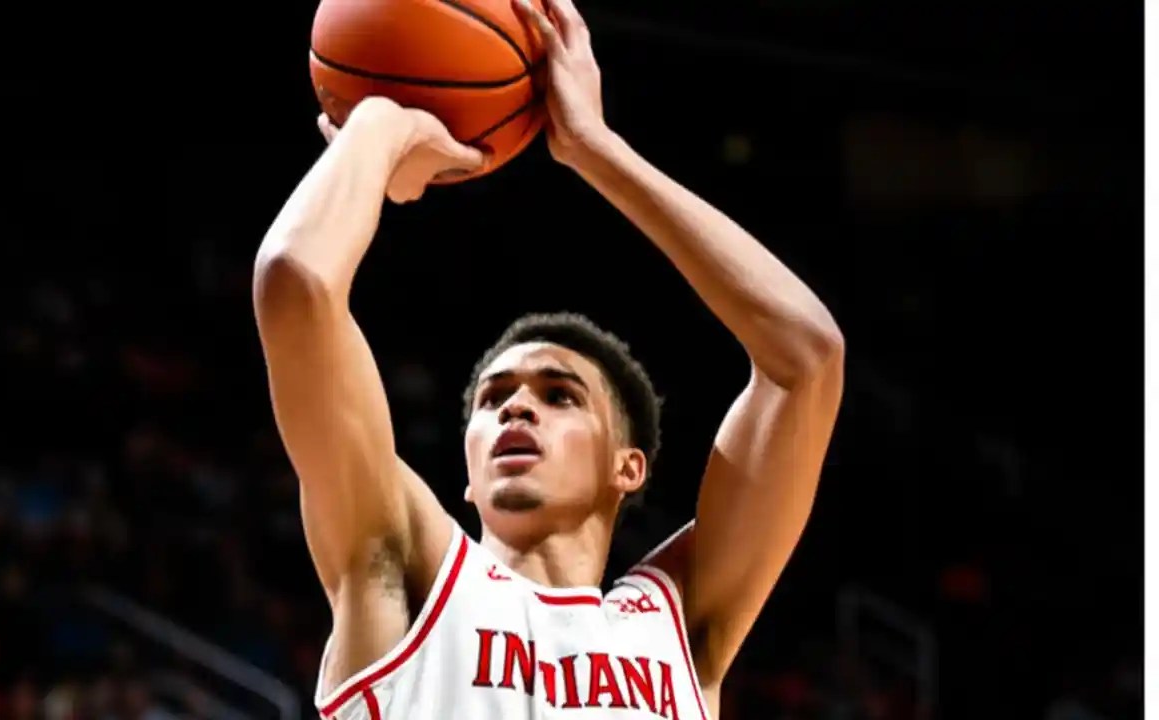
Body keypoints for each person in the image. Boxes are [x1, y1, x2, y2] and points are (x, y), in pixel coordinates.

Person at [252, 0, 845, 717]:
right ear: (466, 476)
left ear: (628, 466)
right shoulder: (404, 568)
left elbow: (806, 358)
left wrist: (596, 149)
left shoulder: (680, 629)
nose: (516, 407)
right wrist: (382, 124)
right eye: (492, 399)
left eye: (560, 394)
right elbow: (295, 283)